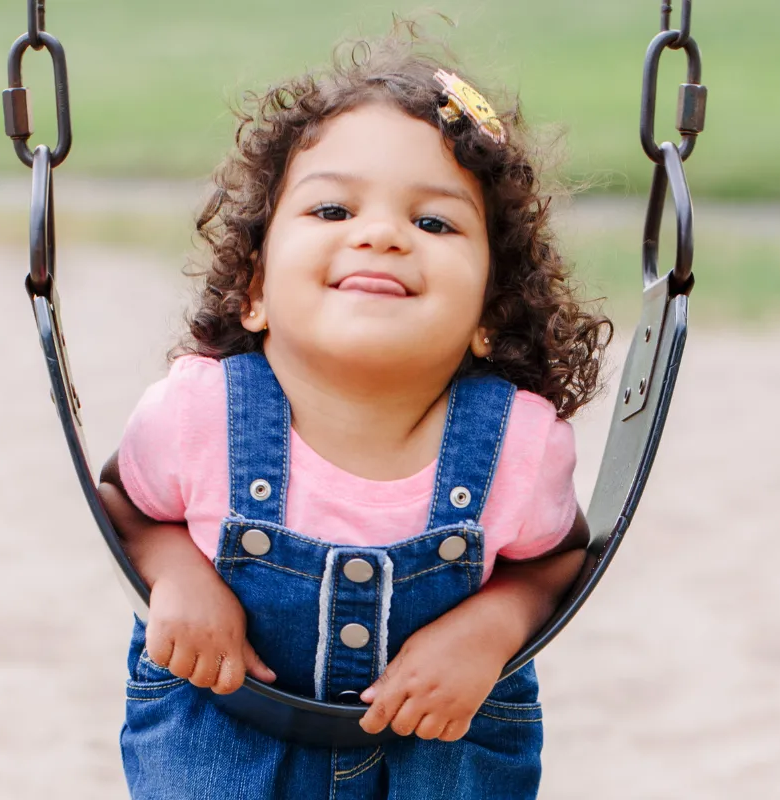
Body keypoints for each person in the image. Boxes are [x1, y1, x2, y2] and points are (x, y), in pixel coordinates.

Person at [97, 25, 611, 799]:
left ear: (490, 312)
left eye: (433, 223)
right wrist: (177, 575)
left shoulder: (518, 443)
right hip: (227, 749)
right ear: (255, 289)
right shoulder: (199, 414)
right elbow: (123, 506)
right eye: (333, 209)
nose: (380, 235)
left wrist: (492, 626)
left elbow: (555, 562)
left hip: (439, 763)